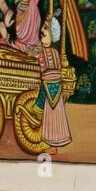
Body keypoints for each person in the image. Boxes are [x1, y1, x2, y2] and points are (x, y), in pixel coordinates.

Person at [34, 16, 72, 151]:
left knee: (53, 116)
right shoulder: (44, 51)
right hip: (50, 85)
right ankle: (51, 144)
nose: (42, 31)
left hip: (52, 86)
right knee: (51, 116)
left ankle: (52, 145)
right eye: (43, 28)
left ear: (52, 34)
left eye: (45, 28)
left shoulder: (53, 52)